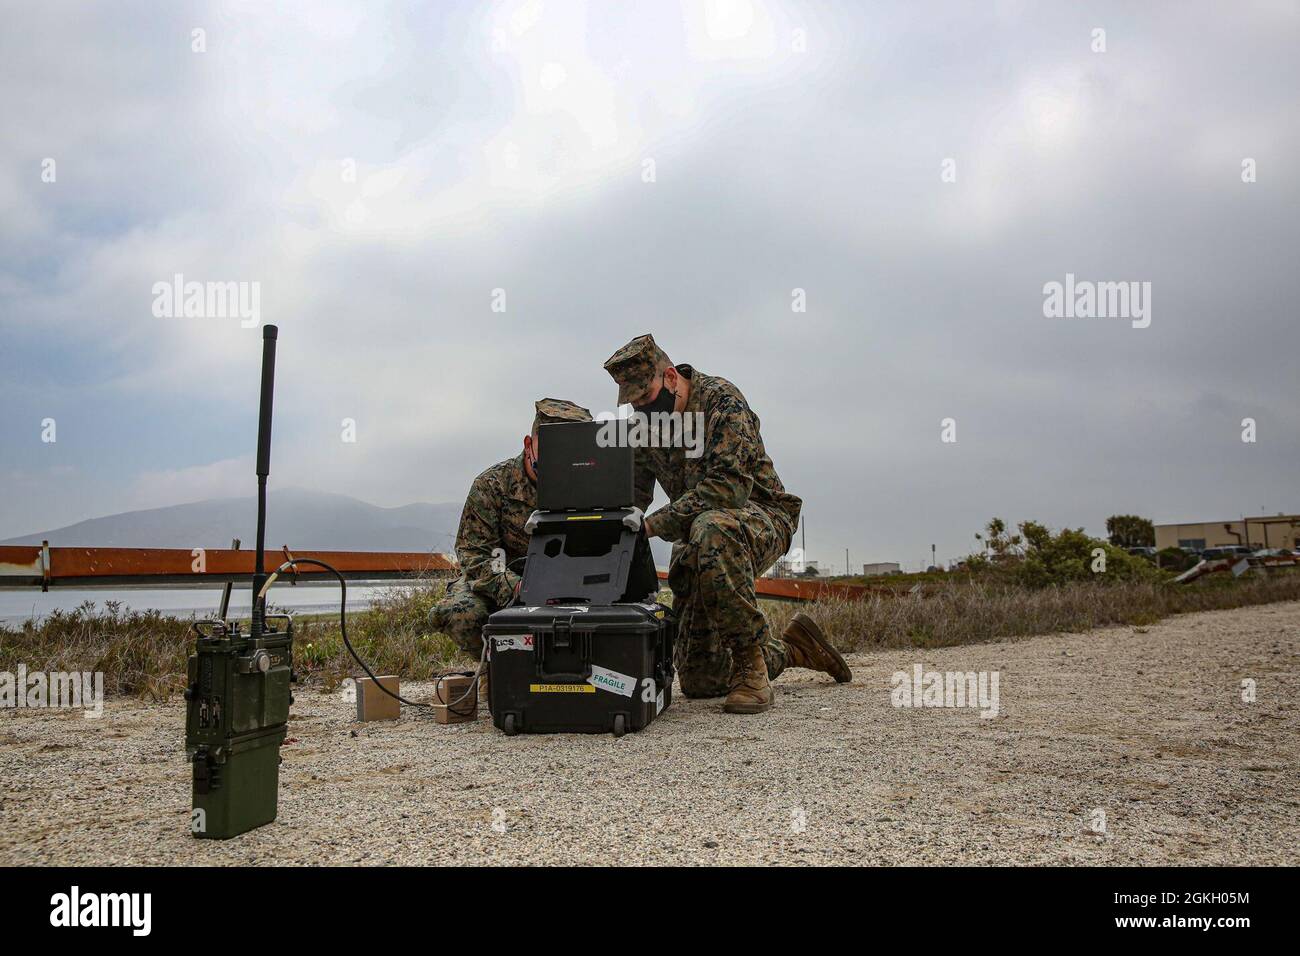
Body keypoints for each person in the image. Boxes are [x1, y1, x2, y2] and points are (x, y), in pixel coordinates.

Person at [602, 334, 851, 714]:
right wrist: (606, 522)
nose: (641, 407)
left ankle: (752, 670)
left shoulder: (722, 402)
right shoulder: (646, 426)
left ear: (670, 377)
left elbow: (727, 489)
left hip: (759, 517)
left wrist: (653, 526)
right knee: (703, 683)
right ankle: (794, 648)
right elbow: (632, 497)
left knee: (712, 528)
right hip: (697, 533)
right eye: (633, 402)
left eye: (645, 396)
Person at [429, 398, 593, 667]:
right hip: (500, 578)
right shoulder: (492, 485)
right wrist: (515, 585)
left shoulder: (590, 486)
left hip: (567, 578)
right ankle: (498, 668)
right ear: (529, 445)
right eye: (550, 450)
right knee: (460, 613)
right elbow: (475, 554)